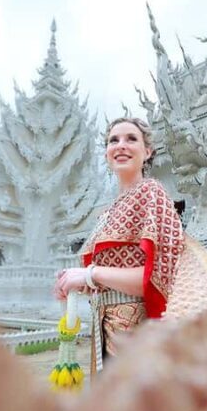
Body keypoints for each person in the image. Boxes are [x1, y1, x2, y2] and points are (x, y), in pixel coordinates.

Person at [52, 117, 184, 376]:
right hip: (105, 330)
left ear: (147, 152)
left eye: (131, 139)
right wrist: (78, 282)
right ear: (106, 153)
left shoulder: (151, 193)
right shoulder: (106, 213)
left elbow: (162, 277)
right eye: (114, 140)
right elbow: (109, 280)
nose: (121, 145)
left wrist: (90, 274)